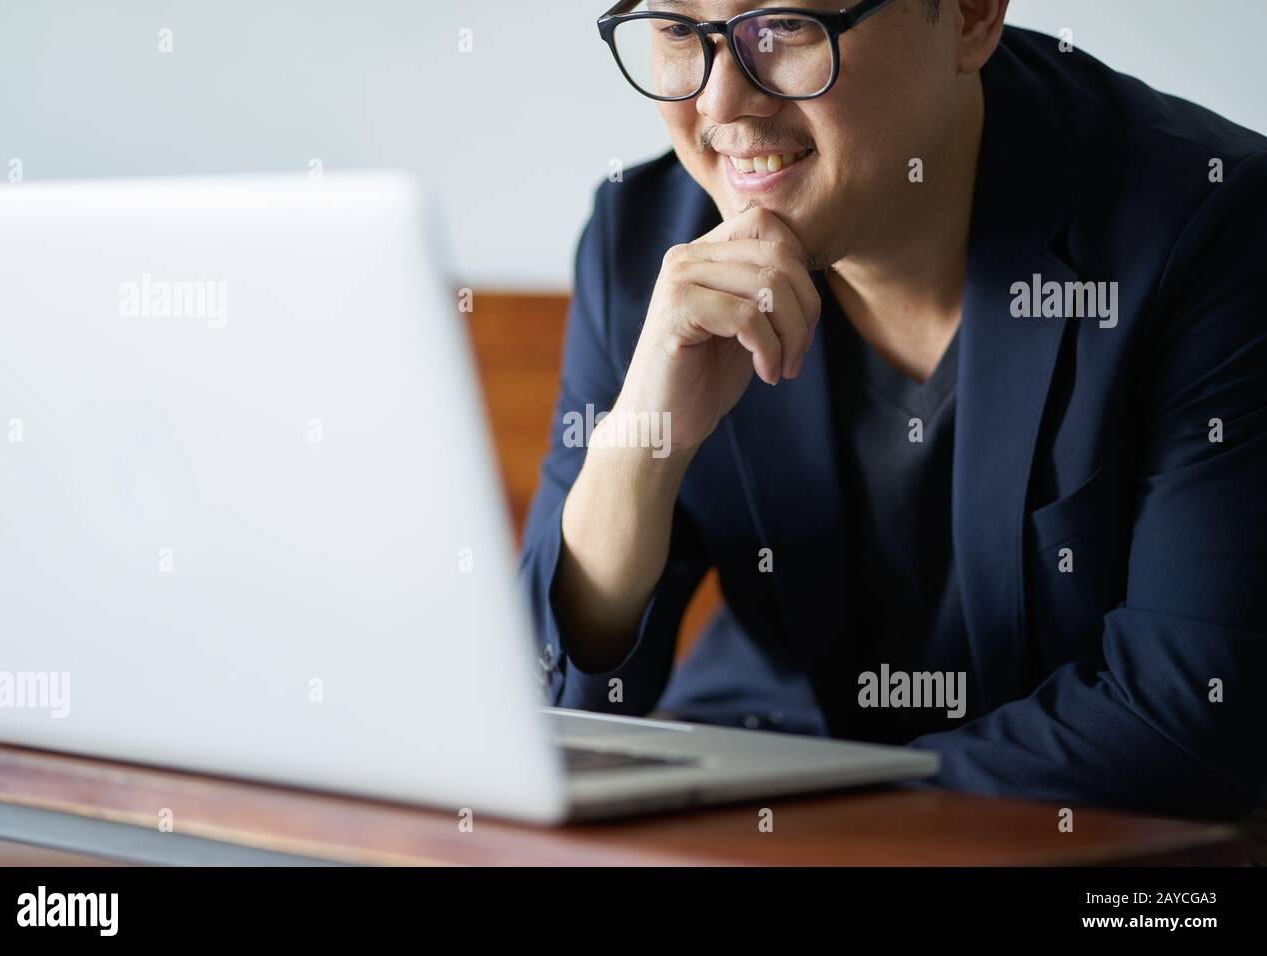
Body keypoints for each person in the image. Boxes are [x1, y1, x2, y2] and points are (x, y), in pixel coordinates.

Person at [520, 0, 1267, 824]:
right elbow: (546, 705)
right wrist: (640, 446)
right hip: (738, 777)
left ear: (972, 17)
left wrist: (792, 815)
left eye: (786, 26)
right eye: (673, 30)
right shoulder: (643, 244)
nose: (721, 104)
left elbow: (1190, 725)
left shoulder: (1212, 229)